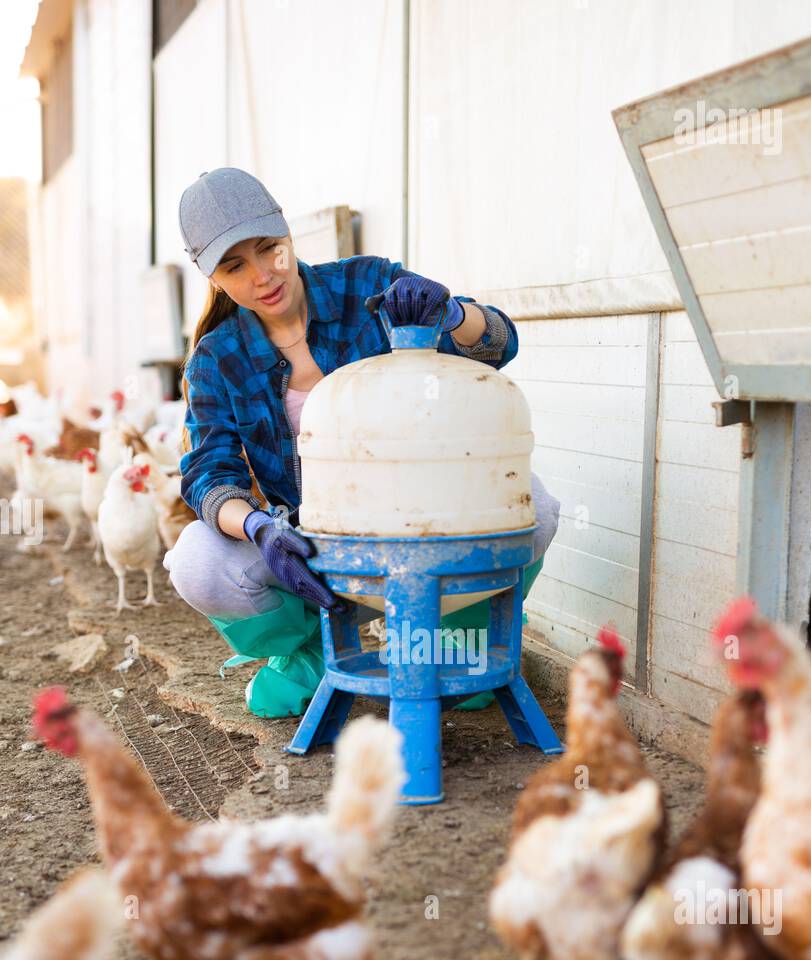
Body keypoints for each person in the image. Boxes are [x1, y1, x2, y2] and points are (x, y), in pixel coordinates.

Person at [167, 167, 560, 716]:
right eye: (235, 265)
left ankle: (455, 641)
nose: (262, 275)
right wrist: (259, 527)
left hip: (424, 520)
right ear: (212, 277)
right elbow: (210, 473)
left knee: (534, 508)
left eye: (268, 249)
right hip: (308, 543)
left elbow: (498, 345)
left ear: (286, 231)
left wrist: (452, 313)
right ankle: (308, 653)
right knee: (197, 562)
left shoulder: (367, 286)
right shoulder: (216, 358)